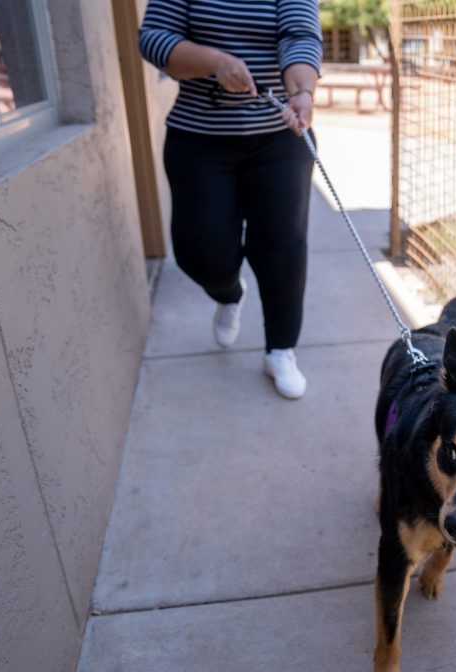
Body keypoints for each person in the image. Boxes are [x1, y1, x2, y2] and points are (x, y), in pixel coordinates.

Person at [138, 0, 322, 399]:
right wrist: (214, 62)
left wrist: (302, 91)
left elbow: (300, 35)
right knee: (199, 251)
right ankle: (229, 292)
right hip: (198, 138)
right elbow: (153, 38)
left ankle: (280, 349)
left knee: (283, 246)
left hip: (278, 138)